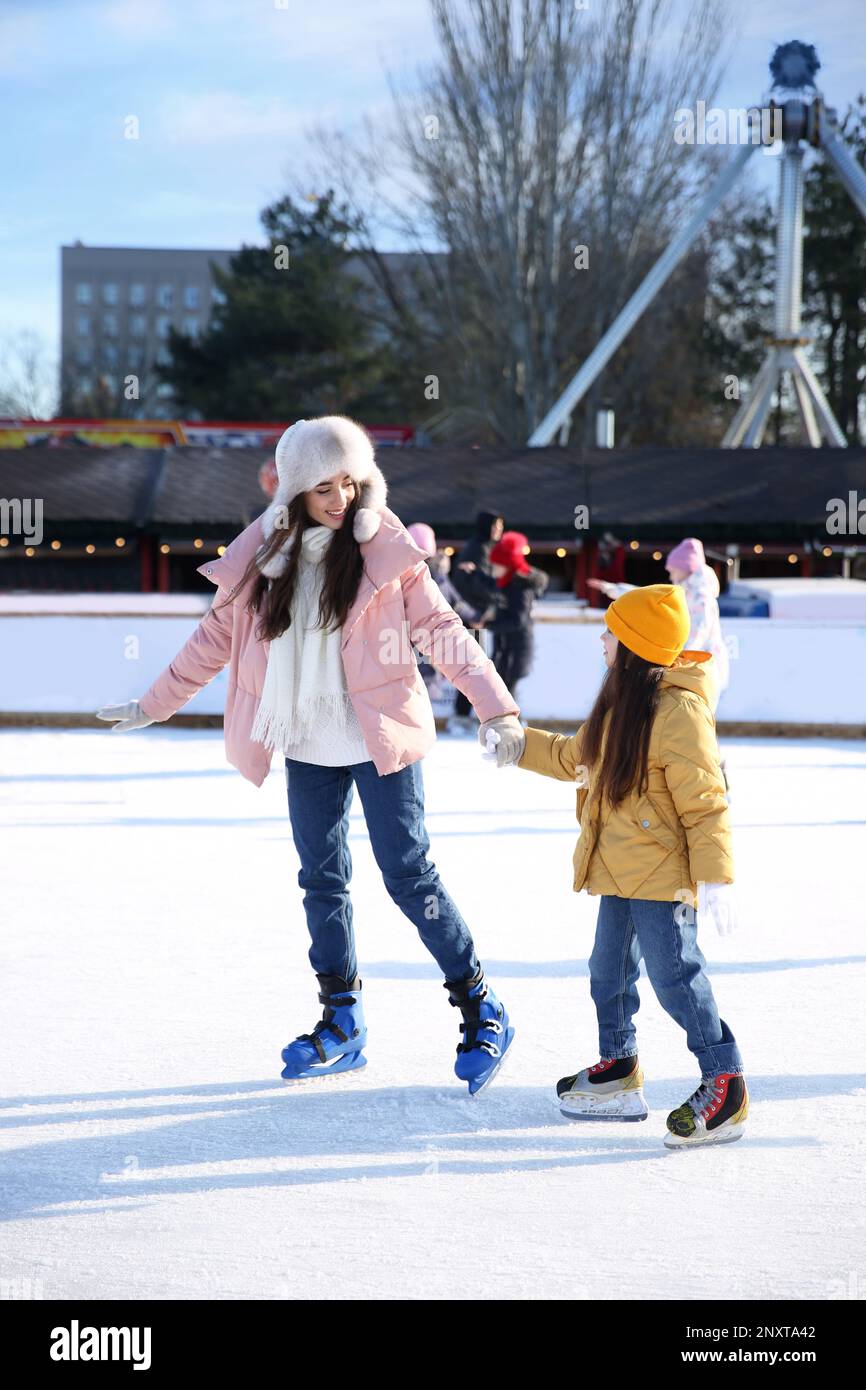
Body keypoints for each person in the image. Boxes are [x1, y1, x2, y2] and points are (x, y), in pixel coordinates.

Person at [96, 416, 524, 1095]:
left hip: (379, 735)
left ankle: (481, 1004)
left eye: (349, 482)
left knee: (409, 875)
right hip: (307, 737)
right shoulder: (268, 557)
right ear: (295, 489)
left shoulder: (384, 548)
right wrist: (154, 703)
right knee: (321, 881)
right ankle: (342, 1021)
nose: (339, 499)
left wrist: (496, 705)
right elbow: (214, 639)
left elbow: (442, 630)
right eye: (323, 486)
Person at [483, 583, 748, 1148]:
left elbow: (705, 800)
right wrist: (515, 743)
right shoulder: (617, 706)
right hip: (616, 871)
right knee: (607, 974)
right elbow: (571, 760)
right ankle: (620, 1068)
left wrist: (715, 876)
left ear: (633, 646)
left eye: (612, 632)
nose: (602, 640)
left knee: (676, 979)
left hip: (662, 876)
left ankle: (725, 1080)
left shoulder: (679, 711)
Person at [406, 522, 486, 708]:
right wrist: (474, 616)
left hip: (416, 639)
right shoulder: (434, 575)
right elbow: (455, 601)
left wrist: (474, 616)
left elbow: (453, 601)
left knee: (418, 688)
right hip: (422, 638)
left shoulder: (411, 573)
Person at [448, 509, 506, 733]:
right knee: (472, 669)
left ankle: (467, 715)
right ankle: (461, 716)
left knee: (475, 669)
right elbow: (468, 586)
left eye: (500, 526)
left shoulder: (486, 548)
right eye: (495, 526)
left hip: (478, 619)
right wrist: (480, 613)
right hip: (471, 621)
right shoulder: (477, 549)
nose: (499, 530)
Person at [481, 530, 549, 709]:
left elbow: (518, 620)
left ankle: (512, 729)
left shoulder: (520, 588)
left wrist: (489, 624)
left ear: (507, 565)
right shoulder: (505, 583)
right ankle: (509, 727)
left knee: (507, 695)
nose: (494, 571)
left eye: (496, 566)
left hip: (516, 649)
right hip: (505, 649)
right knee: (502, 693)